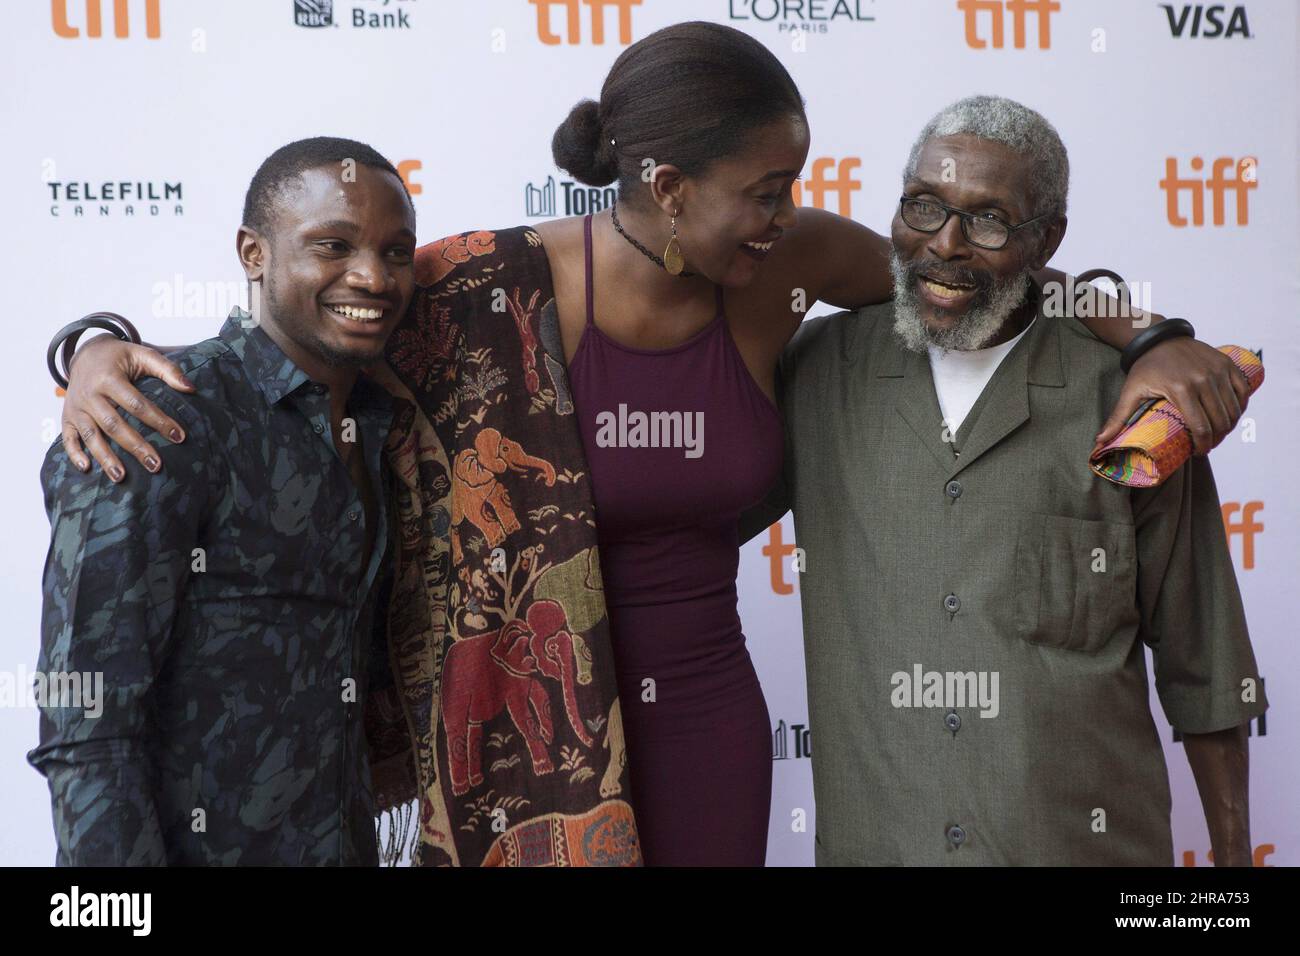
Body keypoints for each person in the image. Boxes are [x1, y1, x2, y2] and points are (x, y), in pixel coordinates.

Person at [49, 25, 1253, 866]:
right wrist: (95, 350)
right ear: (669, 186)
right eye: (765, 189)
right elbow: (300, 316)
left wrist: (1149, 331)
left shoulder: (786, 265)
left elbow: (966, 272)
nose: (787, 212)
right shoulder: (474, 285)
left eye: (797, 183)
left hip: (706, 719)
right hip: (513, 731)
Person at [740, 96, 1267, 866]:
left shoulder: (1128, 406)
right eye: (923, 207)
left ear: (1047, 238)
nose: (945, 245)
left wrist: (1230, 874)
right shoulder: (815, 374)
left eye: (988, 221)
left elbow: (1206, 659)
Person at [30, 137, 418, 864]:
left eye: (397, 253)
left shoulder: (383, 425)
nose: (372, 276)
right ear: (254, 254)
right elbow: (87, 724)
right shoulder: (157, 418)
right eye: (332, 245)